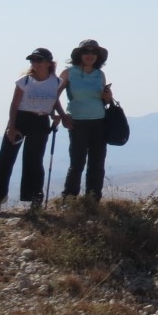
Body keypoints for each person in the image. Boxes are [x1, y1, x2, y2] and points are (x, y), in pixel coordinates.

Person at [0, 48, 66, 212]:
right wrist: (11, 127)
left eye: (39, 60)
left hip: (41, 121)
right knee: (6, 157)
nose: (35, 63)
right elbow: (14, 104)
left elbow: (53, 100)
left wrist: (57, 115)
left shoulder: (56, 82)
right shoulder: (25, 81)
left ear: (48, 63)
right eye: (33, 60)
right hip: (20, 119)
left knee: (34, 160)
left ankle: (35, 197)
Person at [58, 39, 113, 202]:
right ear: (79, 55)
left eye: (93, 52)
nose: (90, 55)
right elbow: (54, 95)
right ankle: (69, 199)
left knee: (97, 163)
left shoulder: (100, 74)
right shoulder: (68, 73)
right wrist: (62, 116)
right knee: (77, 162)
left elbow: (104, 100)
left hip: (99, 122)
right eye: (86, 52)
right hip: (77, 122)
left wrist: (108, 97)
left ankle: (93, 200)